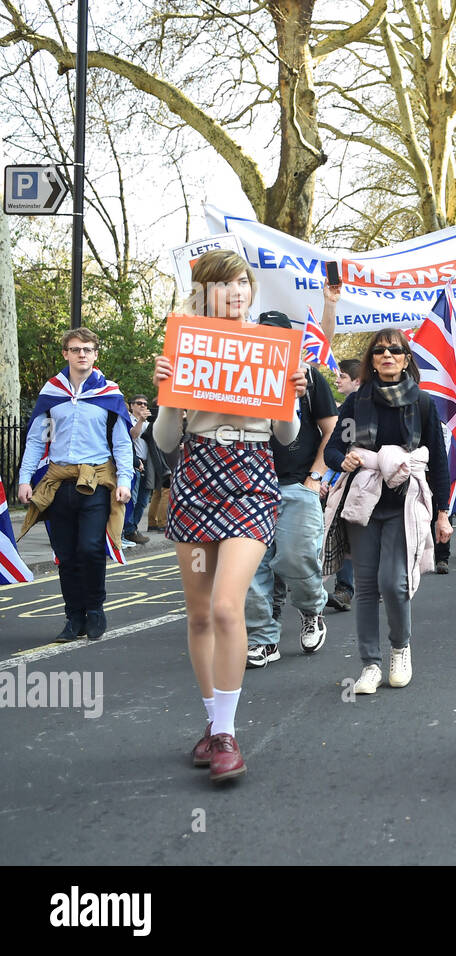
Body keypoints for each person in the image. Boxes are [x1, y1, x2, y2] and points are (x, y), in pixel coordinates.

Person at [152, 249, 308, 784]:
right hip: (196, 476)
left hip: (250, 478)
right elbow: (167, 441)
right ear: (203, 293)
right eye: (224, 284)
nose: (237, 292)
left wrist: (290, 396)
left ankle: (226, 734)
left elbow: (287, 438)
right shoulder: (185, 344)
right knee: (198, 614)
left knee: (225, 606)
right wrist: (168, 395)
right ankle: (211, 720)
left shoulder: (271, 347)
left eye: (243, 282)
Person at [323, 328, 452, 694]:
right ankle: (370, 665)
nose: (387, 355)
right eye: (379, 351)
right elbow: (333, 449)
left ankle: (400, 648)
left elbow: (438, 463)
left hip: (404, 506)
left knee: (394, 583)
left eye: (395, 350)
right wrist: (344, 459)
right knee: (365, 586)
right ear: (372, 360)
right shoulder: (355, 403)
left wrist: (442, 514)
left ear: (406, 358)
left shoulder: (423, 404)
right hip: (363, 506)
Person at [17, 328, 134, 642]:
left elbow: (122, 444)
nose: (82, 354)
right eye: (75, 349)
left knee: (90, 548)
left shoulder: (109, 394)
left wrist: (125, 481)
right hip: (58, 483)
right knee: (65, 555)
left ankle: (95, 610)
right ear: (66, 354)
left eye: (88, 349)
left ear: (96, 354)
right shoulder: (51, 392)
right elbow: (35, 441)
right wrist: (25, 479)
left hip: (95, 482)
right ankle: (74, 617)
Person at [242, 310, 339, 667]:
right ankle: (263, 638)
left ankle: (312, 610)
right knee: (252, 569)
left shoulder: (309, 378)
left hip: (297, 484)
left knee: (296, 558)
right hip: (250, 488)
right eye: (261, 333)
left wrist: (315, 478)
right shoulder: (242, 375)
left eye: (277, 335)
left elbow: (333, 431)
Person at [326, 357, 362, 610]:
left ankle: (380, 583)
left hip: (380, 483)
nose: (337, 380)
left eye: (343, 377)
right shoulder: (351, 406)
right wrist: (330, 476)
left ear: (357, 380)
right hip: (349, 480)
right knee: (347, 530)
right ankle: (344, 588)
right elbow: (338, 447)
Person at [121, 395, 155, 546]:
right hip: (133, 464)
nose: (142, 406)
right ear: (131, 405)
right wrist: (140, 420)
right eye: (139, 403)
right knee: (132, 499)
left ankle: (132, 529)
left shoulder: (148, 422)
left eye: (145, 404)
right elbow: (131, 436)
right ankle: (127, 530)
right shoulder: (127, 420)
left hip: (148, 464)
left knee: (143, 500)